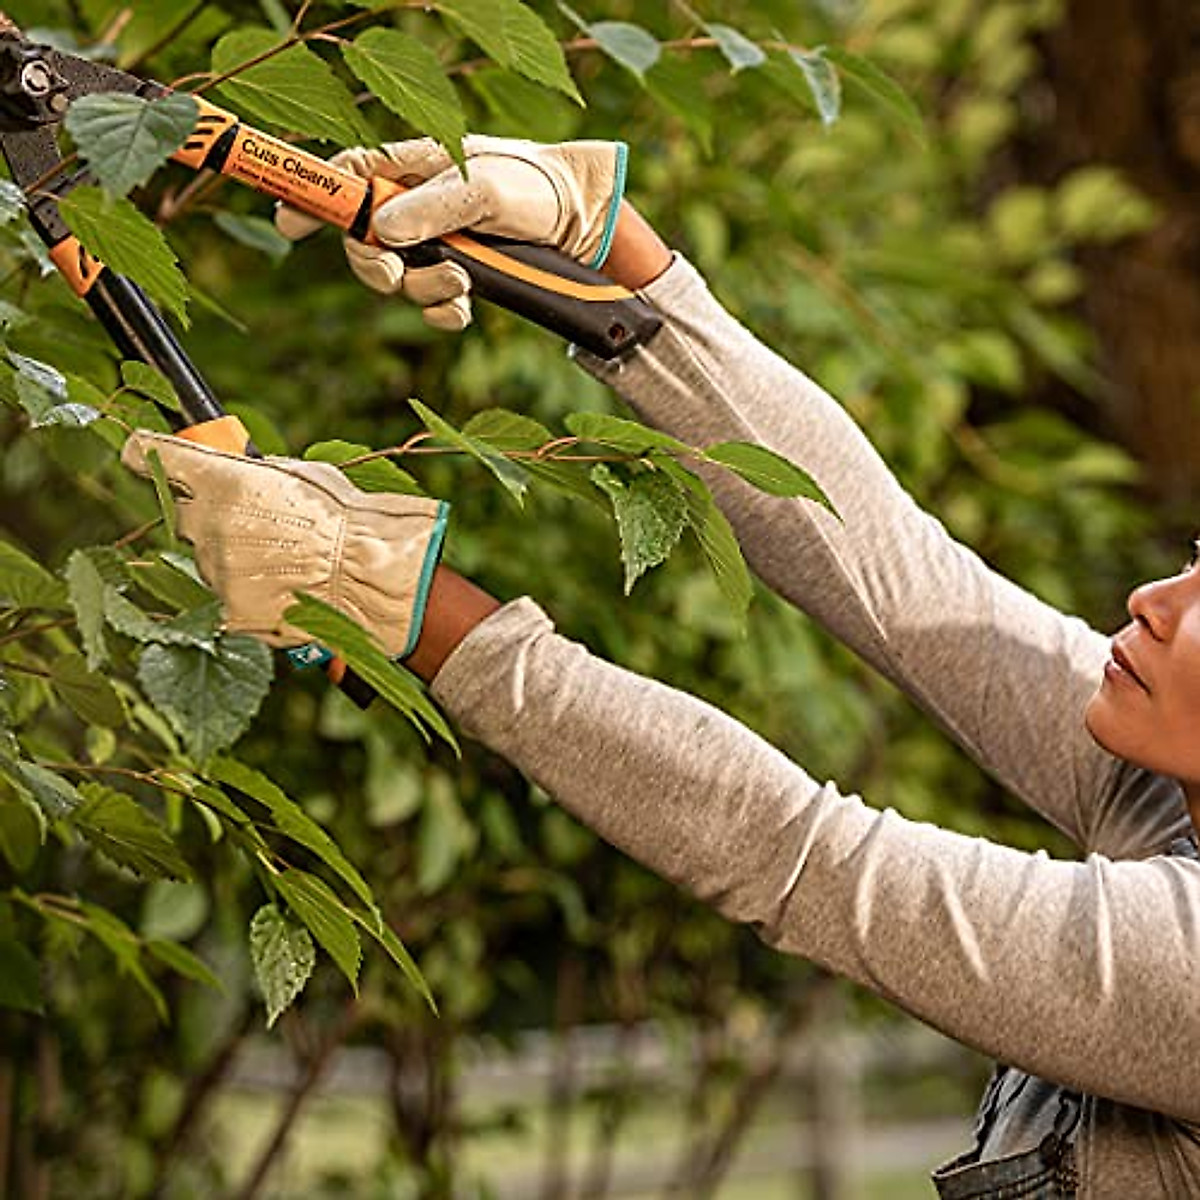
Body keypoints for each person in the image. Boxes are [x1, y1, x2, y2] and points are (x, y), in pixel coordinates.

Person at [122, 137, 1200, 1198]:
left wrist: (395, 598)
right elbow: (899, 577)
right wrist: (611, 255)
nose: (1153, 603)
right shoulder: (1168, 797)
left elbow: (802, 856)